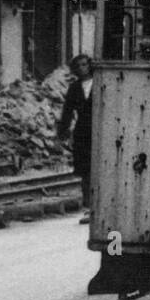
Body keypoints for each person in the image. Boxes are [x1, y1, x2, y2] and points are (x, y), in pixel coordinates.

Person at [58, 54, 94, 224]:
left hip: (101, 129)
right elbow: (67, 111)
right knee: (86, 172)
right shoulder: (74, 88)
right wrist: (63, 131)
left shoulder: (101, 82)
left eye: (85, 64)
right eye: (79, 65)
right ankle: (88, 208)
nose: (83, 68)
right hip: (83, 132)